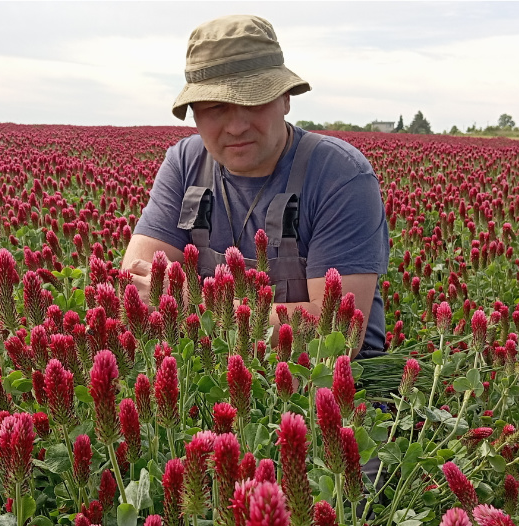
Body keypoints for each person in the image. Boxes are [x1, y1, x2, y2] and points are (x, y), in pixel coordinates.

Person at [122, 14, 389, 357]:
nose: (236, 126)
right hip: (213, 369)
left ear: (285, 99)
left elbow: (336, 334)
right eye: (216, 107)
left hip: (332, 386)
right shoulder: (186, 162)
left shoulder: (341, 175)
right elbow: (137, 281)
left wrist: (194, 304)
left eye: (252, 101)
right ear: (194, 114)